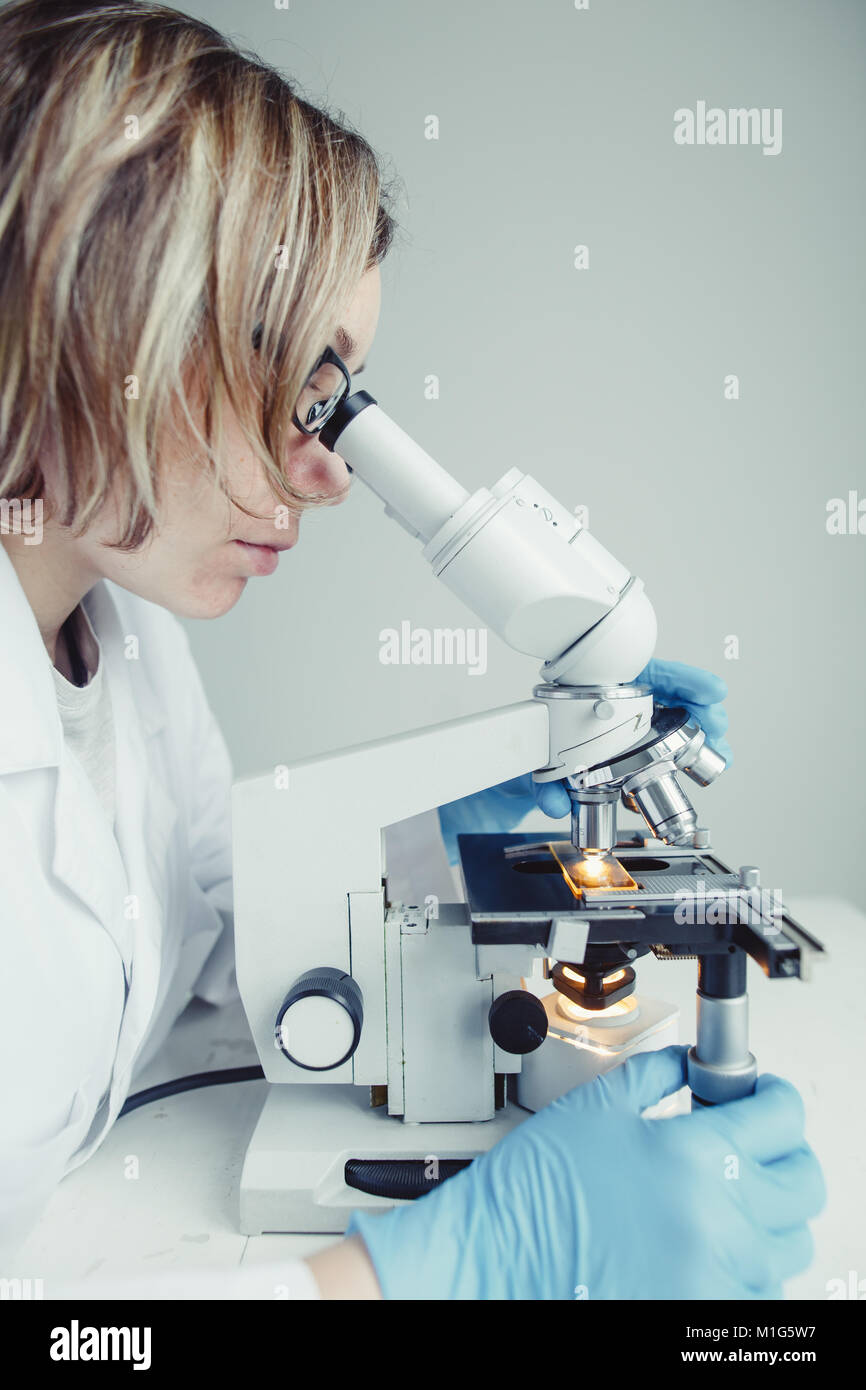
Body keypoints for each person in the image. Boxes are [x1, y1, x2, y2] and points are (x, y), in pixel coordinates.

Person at [0, 0, 824, 1299]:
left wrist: (439, 842)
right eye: (299, 373)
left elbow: (208, 929)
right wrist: (430, 1273)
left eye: (342, 401)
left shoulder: (123, 631)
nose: (329, 473)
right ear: (109, 312)